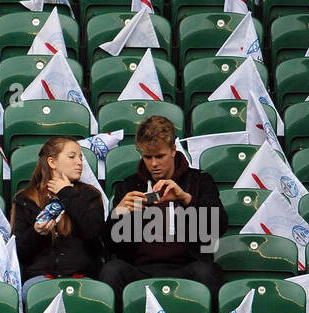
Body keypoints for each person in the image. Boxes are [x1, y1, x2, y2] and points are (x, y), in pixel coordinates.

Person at [101, 115, 227, 298]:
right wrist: (118, 214)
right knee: (112, 270)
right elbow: (111, 245)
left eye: (160, 156)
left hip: (188, 266)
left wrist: (186, 199)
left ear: (174, 149)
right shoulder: (128, 186)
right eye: (147, 156)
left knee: (206, 272)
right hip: (139, 269)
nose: (154, 164)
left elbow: (219, 226)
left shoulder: (199, 181)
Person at [12, 136, 106, 297]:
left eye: (81, 158)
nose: (79, 162)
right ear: (52, 162)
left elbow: (92, 233)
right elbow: (18, 252)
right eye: (72, 156)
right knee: (35, 293)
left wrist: (66, 194)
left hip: (83, 279)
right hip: (40, 280)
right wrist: (36, 233)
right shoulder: (26, 199)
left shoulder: (90, 195)